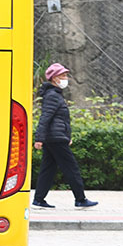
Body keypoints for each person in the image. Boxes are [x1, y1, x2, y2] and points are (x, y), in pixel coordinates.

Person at [32, 63, 98, 209]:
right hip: (55, 138)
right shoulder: (53, 96)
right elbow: (45, 118)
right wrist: (39, 138)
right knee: (71, 167)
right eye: (62, 76)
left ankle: (38, 200)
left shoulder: (54, 95)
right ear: (54, 78)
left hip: (54, 137)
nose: (65, 78)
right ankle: (80, 199)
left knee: (48, 169)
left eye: (66, 75)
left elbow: (60, 119)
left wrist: (66, 136)